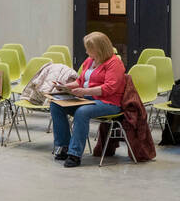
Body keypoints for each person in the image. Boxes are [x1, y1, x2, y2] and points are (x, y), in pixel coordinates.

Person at [50, 30, 126, 167]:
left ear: (99, 49)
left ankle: (74, 154)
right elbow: (80, 81)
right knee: (56, 105)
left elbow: (109, 89)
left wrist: (84, 91)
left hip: (108, 102)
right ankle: (63, 147)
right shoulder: (90, 60)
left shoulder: (115, 63)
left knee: (82, 112)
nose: (86, 52)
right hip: (87, 98)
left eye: (89, 49)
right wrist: (65, 87)